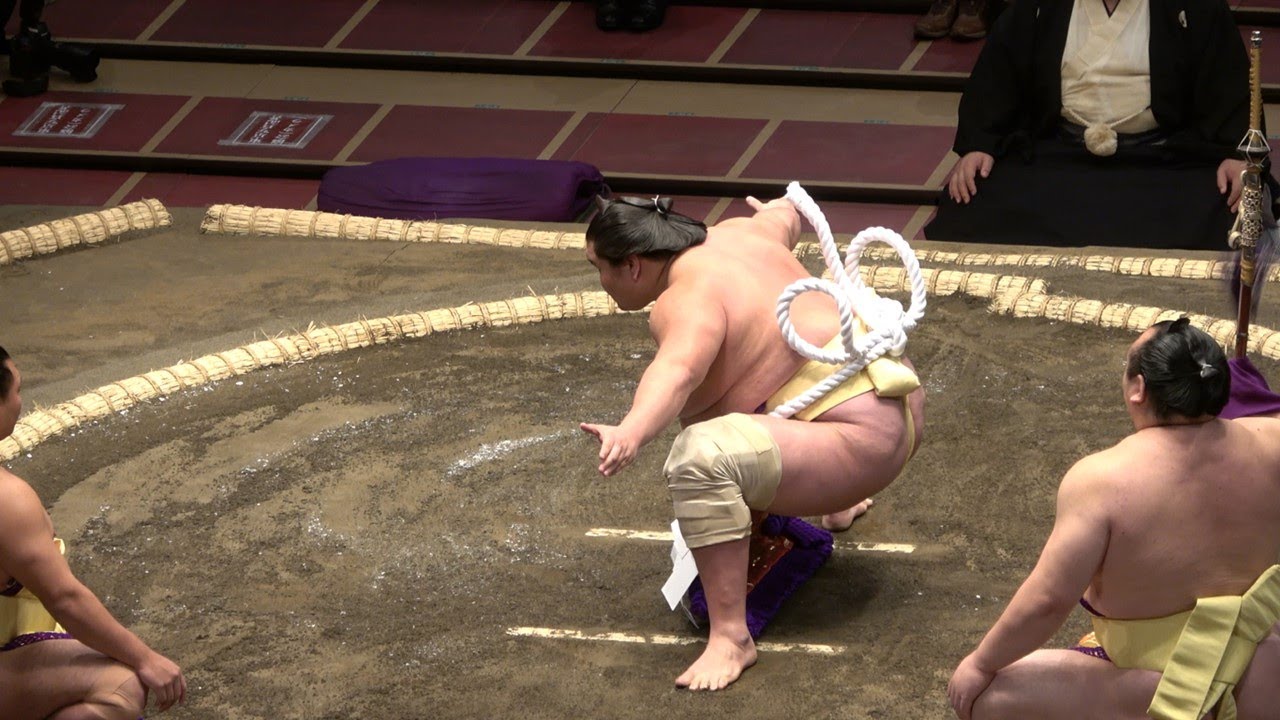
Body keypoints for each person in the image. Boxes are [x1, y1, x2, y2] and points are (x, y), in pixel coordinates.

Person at [579, 195, 926, 691]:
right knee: (746, 400)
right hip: (899, 401)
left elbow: (676, 372)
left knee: (701, 455)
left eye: (600, 269)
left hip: (859, 444)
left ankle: (730, 639)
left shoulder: (686, 297)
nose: (601, 282)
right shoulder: (740, 232)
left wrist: (631, 430)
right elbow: (786, 215)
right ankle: (839, 504)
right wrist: (782, 204)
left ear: (633, 265)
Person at [947, 318, 1280, 720]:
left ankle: (1148, 695)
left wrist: (981, 663)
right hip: (1263, 673)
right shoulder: (1272, 440)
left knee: (986, 697)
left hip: (1166, 688)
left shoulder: (1101, 480)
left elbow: (1049, 602)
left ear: (1139, 388)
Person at [924, 0, 1280, 250]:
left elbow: (1227, 81)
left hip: (1160, 161)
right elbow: (999, 76)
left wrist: (1236, 153)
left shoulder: (1194, 6)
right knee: (973, 197)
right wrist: (980, 144)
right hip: (1063, 156)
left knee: (1225, 210)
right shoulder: (1039, 7)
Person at [0, 346, 187, 719]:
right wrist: (146, 657)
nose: (22, 401)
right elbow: (65, 597)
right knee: (121, 685)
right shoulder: (7, 500)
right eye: (18, 389)